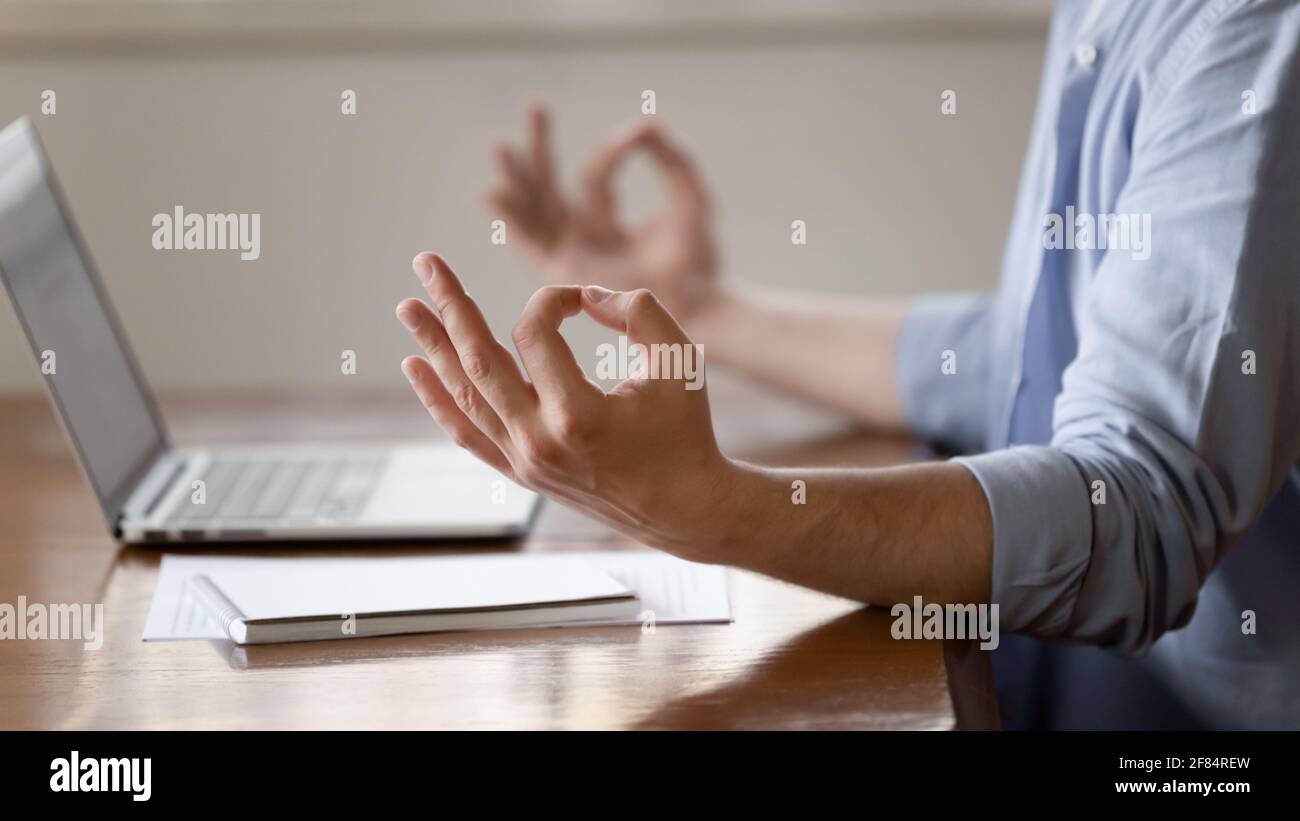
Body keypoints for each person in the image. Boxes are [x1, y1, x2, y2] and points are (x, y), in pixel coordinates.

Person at [394, 0, 1300, 730]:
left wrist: (714, 506)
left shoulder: (1252, 30)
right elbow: (1041, 358)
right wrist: (700, 306)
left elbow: (1143, 511)